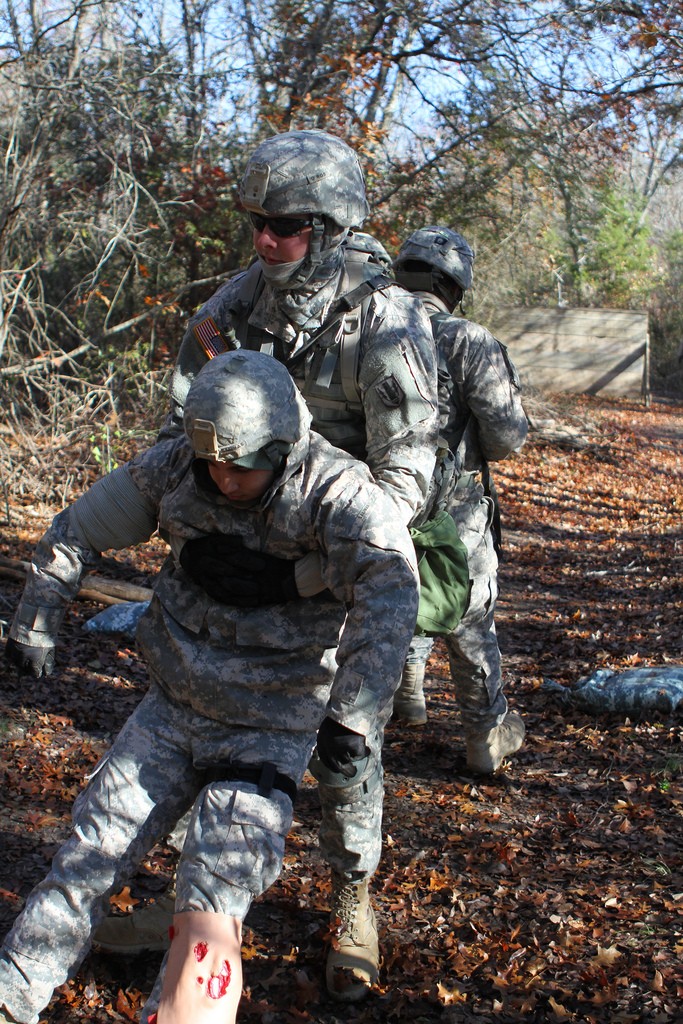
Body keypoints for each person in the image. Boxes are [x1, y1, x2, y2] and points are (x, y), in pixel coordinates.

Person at [93, 128, 440, 1003]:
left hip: (331, 574)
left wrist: (309, 574)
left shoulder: (388, 325)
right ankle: (196, 915)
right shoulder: (227, 315)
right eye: (256, 222)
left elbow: (407, 485)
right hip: (225, 573)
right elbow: (179, 441)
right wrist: (195, 539)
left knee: (343, 742)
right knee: (200, 737)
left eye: (286, 225)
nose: (265, 240)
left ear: (329, 229)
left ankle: (351, 892)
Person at [0, 349, 420, 1024]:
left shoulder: (337, 493)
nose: (224, 480)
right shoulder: (174, 468)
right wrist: (39, 614)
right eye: (212, 463)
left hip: (271, 725)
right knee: (88, 855)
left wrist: (355, 715)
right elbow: (78, 529)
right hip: (171, 707)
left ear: (283, 447)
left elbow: (391, 587)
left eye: (242, 465)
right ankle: (12, 994)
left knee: (212, 899)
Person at [391, 225, 529, 772]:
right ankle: (485, 740)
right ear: (455, 284)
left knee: (382, 597)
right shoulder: (469, 340)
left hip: (369, 498)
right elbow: (507, 437)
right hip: (454, 505)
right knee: (470, 614)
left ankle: (407, 696)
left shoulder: (359, 329)